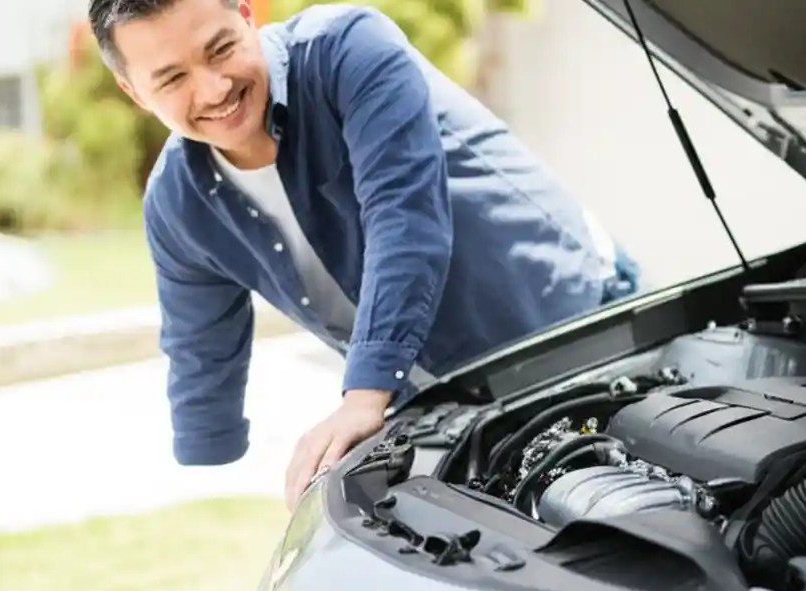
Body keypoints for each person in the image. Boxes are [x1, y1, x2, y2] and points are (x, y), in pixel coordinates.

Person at [88, 0, 638, 509]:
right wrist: (207, 461)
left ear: (246, 12)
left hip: (582, 331)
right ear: (133, 90)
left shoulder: (349, 50)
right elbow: (199, 349)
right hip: (449, 405)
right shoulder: (178, 202)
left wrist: (362, 399)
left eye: (221, 49)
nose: (212, 90)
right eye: (172, 78)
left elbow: (405, 221)